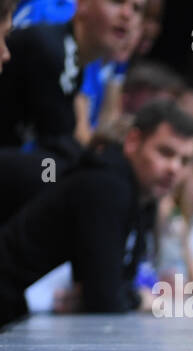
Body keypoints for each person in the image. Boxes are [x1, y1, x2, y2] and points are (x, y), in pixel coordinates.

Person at [0, 97, 193, 324]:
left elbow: (117, 284)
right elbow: (106, 300)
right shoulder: (107, 185)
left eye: (185, 161)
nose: (174, 169)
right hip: (10, 313)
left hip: (30, 317)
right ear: (133, 141)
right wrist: (136, 298)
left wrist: (107, 294)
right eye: (165, 152)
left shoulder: (144, 196)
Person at [0, 0, 143, 221]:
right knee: (64, 174)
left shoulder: (75, 64)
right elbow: (61, 145)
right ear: (83, 4)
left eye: (137, 9)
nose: (127, 15)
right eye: (117, 2)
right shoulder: (48, 47)